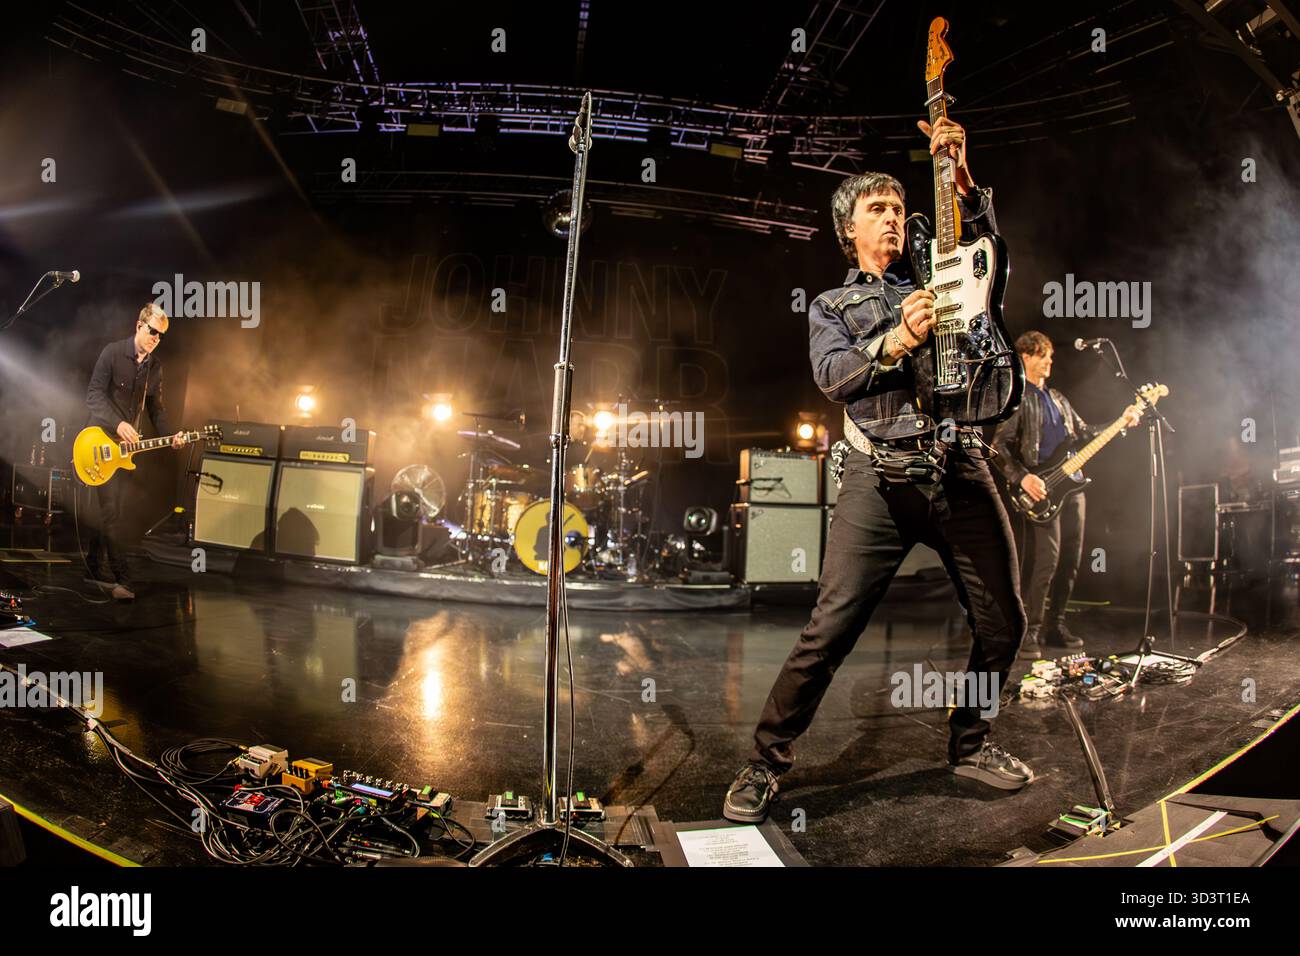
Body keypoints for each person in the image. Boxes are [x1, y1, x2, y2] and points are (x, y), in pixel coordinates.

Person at [723, 115, 1033, 825]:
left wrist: (958, 170)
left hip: (960, 465)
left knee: (1005, 621)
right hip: (879, 482)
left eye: (898, 208)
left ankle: (970, 740)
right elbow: (836, 377)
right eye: (877, 210)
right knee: (828, 631)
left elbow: (985, 245)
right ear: (849, 230)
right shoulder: (834, 306)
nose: (893, 218)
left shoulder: (937, 273)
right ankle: (765, 762)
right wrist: (897, 338)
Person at [991, 332, 1141, 658]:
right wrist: (1023, 477)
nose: (1049, 361)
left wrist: (1123, 421)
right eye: (1042, 355)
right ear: (1026, 357)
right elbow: (998, 447)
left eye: (1050, 356)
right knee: (1048, 560)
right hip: (1042, 488)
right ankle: (1028, 630)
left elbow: (1085, 434)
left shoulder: (1058, 398)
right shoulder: (1017, 398)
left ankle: (1054, 625)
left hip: (1072, 487)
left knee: (1071, 560)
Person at [84, 303, 186, 600]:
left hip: (125, 453)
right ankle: (124, 579)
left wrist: (171, 436)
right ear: (139, 326)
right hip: (98, 443)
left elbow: (157, 410)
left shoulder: (155, 368)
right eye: (153, 331)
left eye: (161, 335)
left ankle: (92, 566)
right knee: (111, 511)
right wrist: (118, 424)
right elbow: (93, 395)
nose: (156, 338)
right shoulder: (112, 353)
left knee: (111, 510)